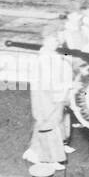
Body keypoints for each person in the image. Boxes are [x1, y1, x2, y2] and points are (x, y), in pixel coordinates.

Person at [22, 29, 73, 167]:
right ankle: (48, 159)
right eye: (52, 40)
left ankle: (33, 151)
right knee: (48, 124)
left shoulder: (52, 55)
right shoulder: (45, 59)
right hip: (46, 96)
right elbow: (50, 83)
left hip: (50, 94)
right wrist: (70, 85)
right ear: (45, 41)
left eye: (57, 40)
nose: (56, 43)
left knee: (48, 122)